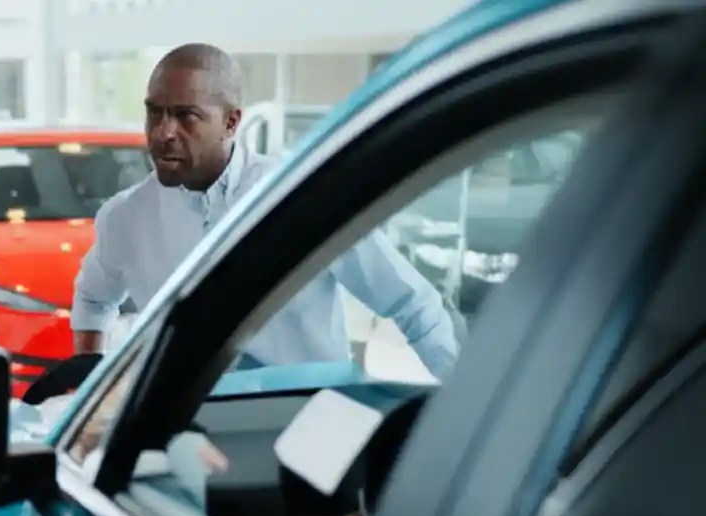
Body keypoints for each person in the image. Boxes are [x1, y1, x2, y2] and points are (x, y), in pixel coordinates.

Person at [72, 43, 458, 378]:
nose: (162, 133)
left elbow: (412, 304)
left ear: (231, 122)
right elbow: (93, 299)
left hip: (297, 421)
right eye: (154, 113)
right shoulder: (126, 217)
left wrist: (465, 410)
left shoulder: (302, 199)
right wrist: (88, 374)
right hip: (183, 433)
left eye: (186, 116)